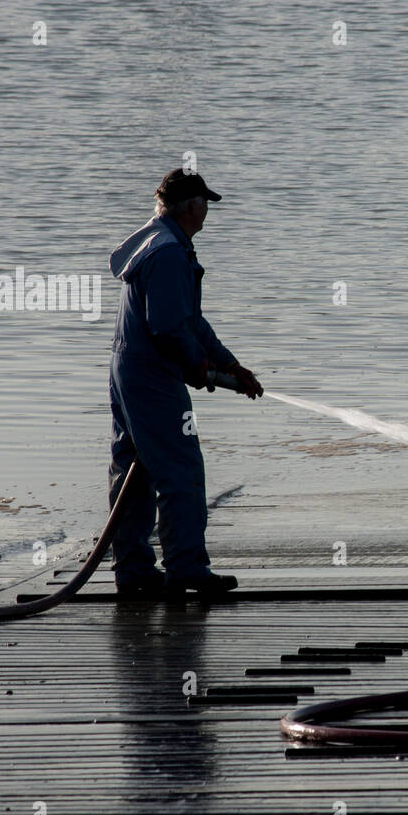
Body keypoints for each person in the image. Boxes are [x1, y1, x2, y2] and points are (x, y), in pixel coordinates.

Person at [106, 168, 263, 599]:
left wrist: (230, 365)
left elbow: (190, 321)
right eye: (205, 204)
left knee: (134, 474)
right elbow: (170, 328)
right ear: (192, 207)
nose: (207, 212)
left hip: (129, 369)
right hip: (152, 375)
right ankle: (187, 569)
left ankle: (134, 571)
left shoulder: (161, 245)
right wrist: (196, 366)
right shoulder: (171, 255)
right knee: (181, 470)